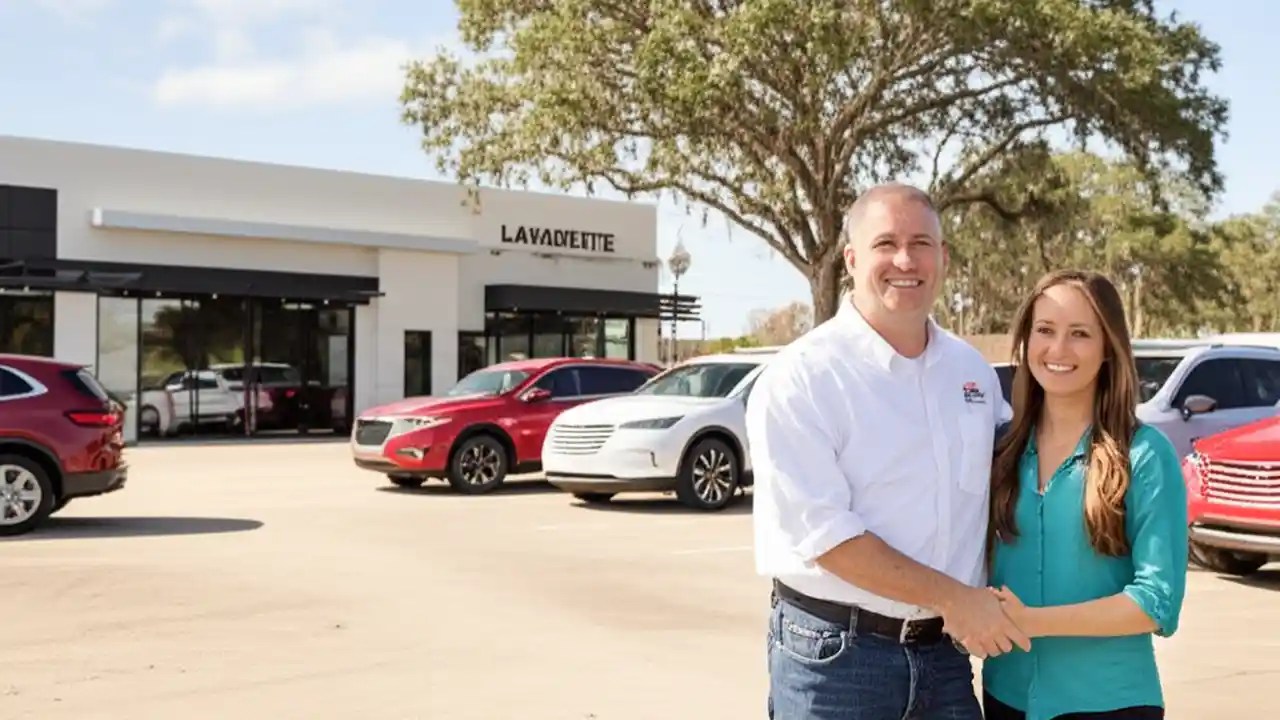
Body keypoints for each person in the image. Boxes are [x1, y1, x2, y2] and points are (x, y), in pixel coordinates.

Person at [746, 182, 1029, 720]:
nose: (905, 260)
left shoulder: (970, 371)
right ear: (852, 259)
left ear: (943, 258)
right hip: (835, 662)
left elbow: (1011, 479)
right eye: (886, 244)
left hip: (945, 656)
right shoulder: (802, 377)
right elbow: (826, 537)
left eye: (921, 243)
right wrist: (955, 599)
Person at [982, 270, 1188, 720]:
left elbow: (1157, 601)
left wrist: (1034, 623)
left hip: (1110, 703)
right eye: (1045, 330)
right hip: (1005, 697)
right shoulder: (1000, 450)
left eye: (1079, 334)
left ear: (1107, 348)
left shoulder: (1145, 455)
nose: (1058, 349)